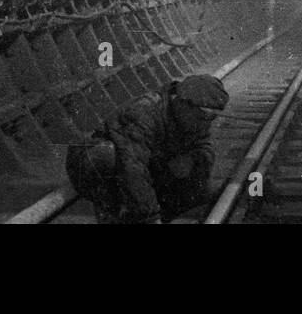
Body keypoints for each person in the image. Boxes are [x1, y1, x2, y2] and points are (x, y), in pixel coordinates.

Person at [66, 74, 229, 224]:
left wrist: (193, 159)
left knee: (203, 190)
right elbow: (132, 165)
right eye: (204, 115)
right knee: (107, 155)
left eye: (212, 117)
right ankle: (112, 213)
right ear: (182, 102)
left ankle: (139, 213)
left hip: (145, 164)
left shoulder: (194, 118)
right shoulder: (145, 111)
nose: (206, 122)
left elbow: (205, 147)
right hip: (96, 162)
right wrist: (151, 217)